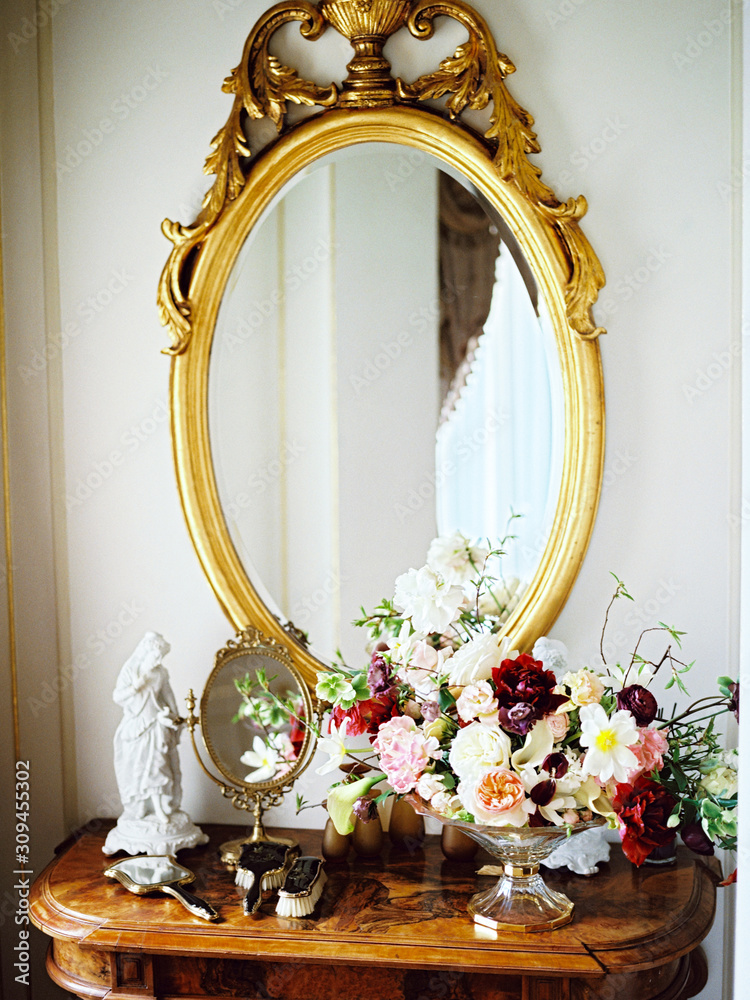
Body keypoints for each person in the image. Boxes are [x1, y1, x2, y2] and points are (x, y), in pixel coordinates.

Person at [112, 631, 183, 824]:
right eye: (156, 655)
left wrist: (176, 716)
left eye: (161, 656)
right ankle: (141, 804)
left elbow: (168, 696)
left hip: (157, 724)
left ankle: (159, 807)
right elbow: (117, 697)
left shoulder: (161, 672)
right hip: (137, 726)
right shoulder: (131, 670)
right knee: (137, 766)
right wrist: (136, 686)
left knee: (158, 766)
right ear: (146, 651)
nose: (159, 659)